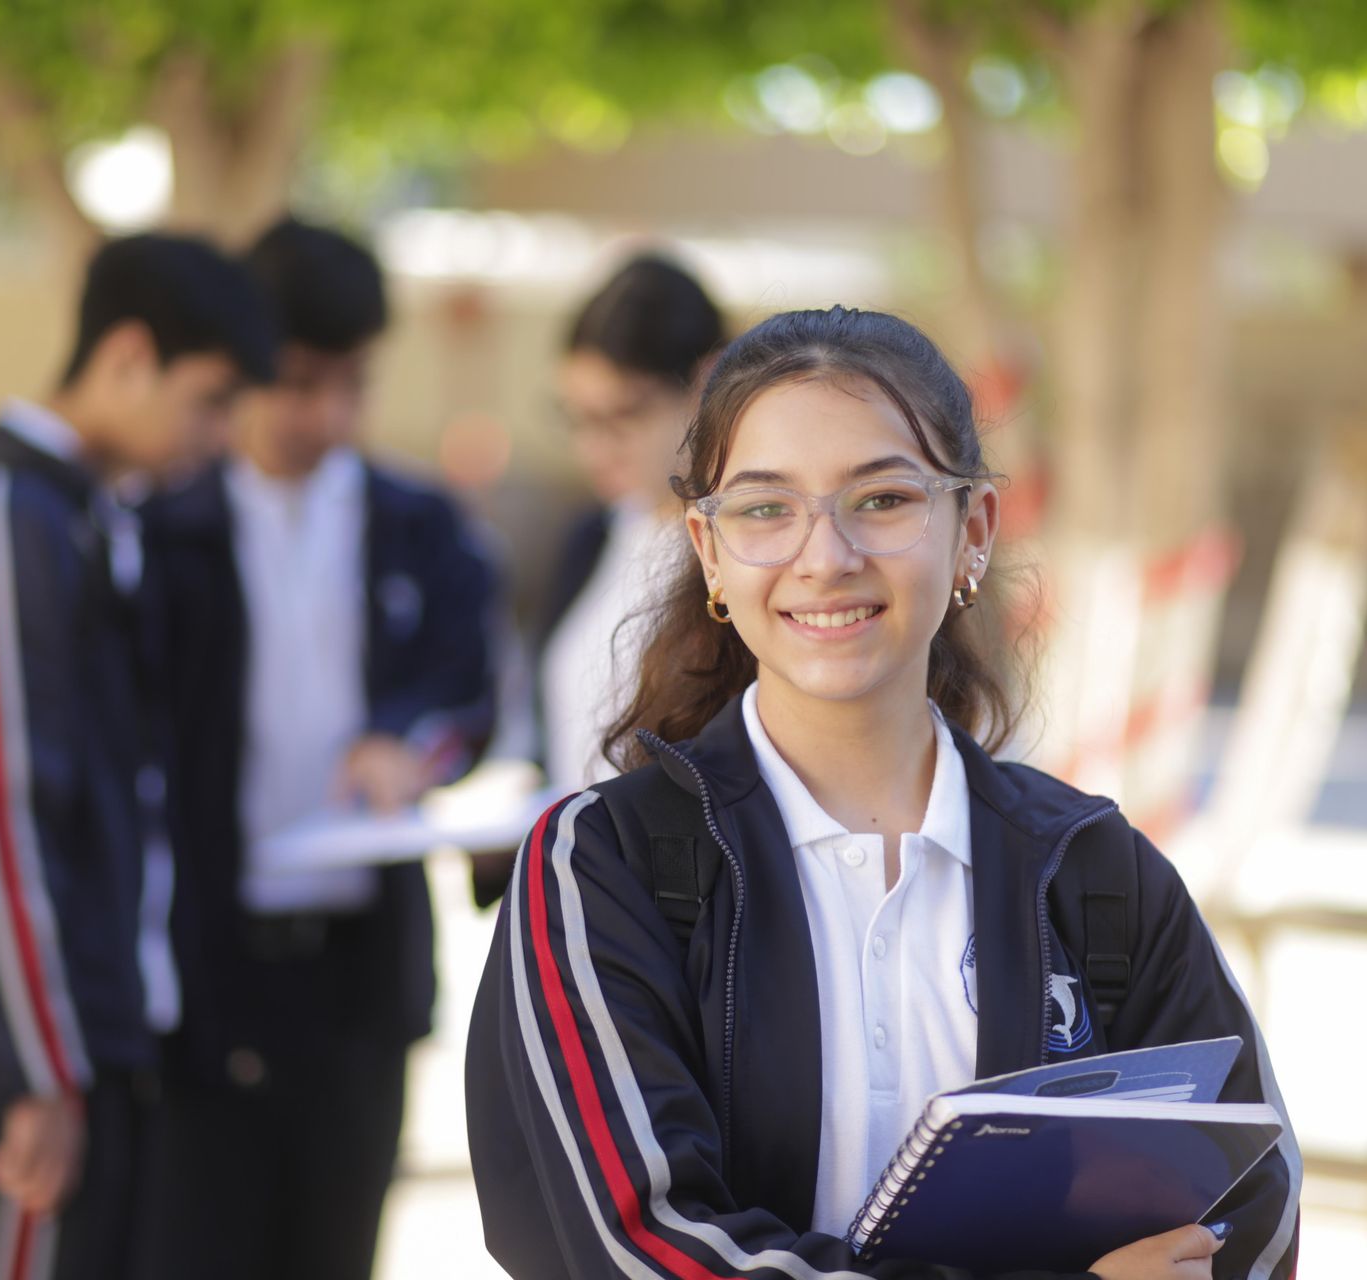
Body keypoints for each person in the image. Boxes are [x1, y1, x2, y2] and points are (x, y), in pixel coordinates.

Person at [466, 307, 1301, 1279]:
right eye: (766, 508)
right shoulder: (602, 867)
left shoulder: (1095, 870)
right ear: (709, 552)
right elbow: (644, 1250)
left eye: (883, 498)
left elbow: (1254, 1198)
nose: (826, 555)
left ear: (973, 529)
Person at [0, 233, 276, 1280]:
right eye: (207, 399)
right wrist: (39, 1069)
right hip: (37, 1043)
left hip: (101, 1027)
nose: (217, 434)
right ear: (125, 357)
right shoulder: (4, 518)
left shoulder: (88, 516)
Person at [140, 217, 497, 1280]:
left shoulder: (418, 522)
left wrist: (409, 747)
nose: (328, 413)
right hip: (201, 962)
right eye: (300, 382)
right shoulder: (165, 526)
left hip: (356, 975)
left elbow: (470, 691)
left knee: (335, 1250)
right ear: (242, 366)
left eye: (353, 383)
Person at [538, 253, 726, 792]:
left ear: (706, 381)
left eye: (623, 415)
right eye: (576, 419)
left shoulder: (749, 546)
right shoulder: (592, 538)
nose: (593, 448)